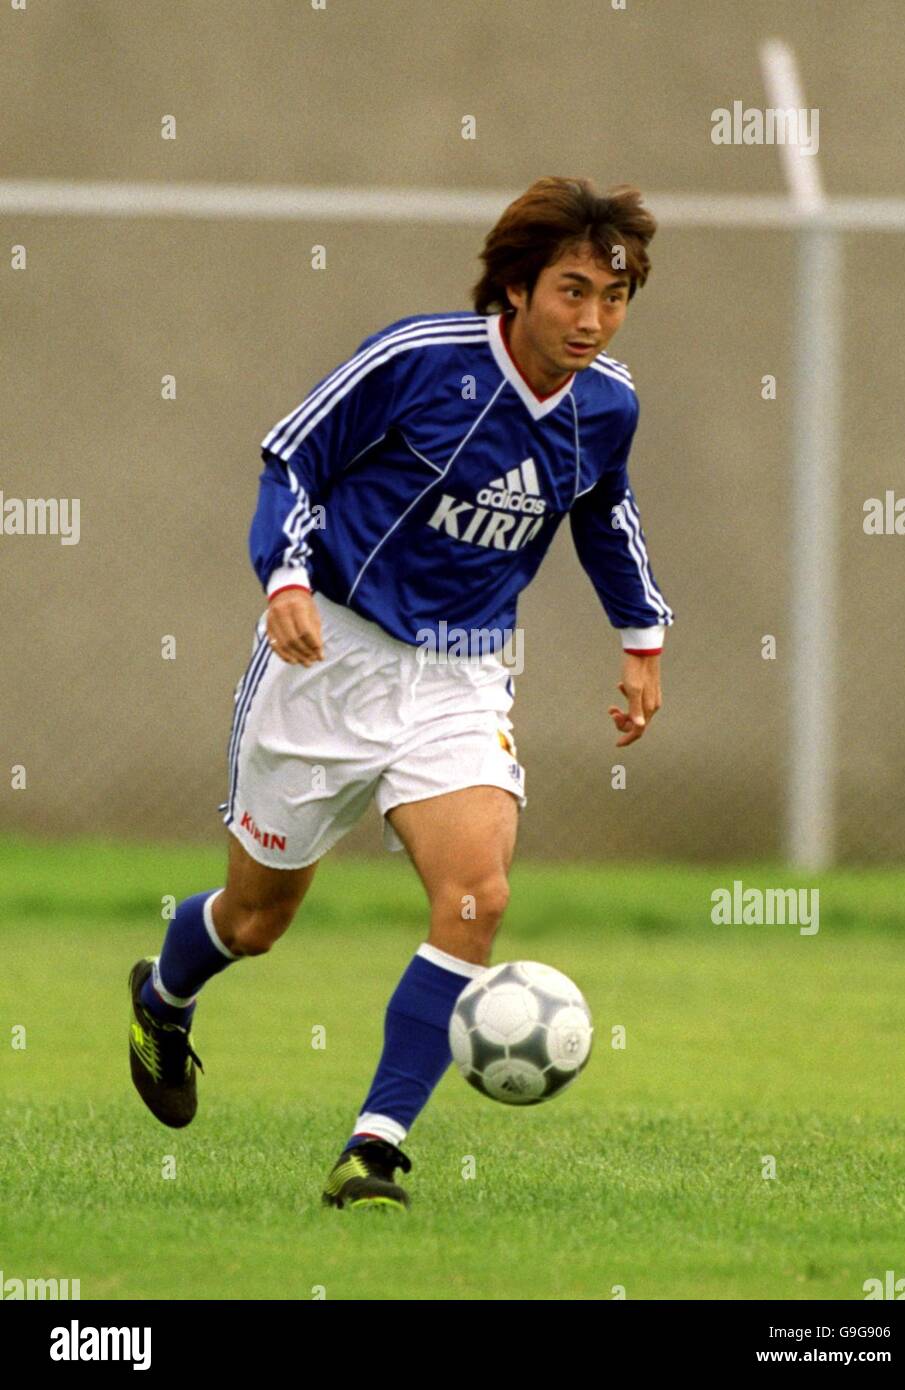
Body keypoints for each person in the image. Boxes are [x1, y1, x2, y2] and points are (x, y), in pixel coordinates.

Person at [128, 175, 674, 1211]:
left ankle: (372, 1148)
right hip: (326, 658)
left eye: (613, 297)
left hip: (462, 674)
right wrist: (283, 577)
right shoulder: (417, 360)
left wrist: (640, 635)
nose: (592, 319)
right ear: (515, 286)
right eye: (571, 290)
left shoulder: (607, 406)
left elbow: (603, 509)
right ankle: (162, 998)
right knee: (254, 920)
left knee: (478, 894)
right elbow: (291, 459)